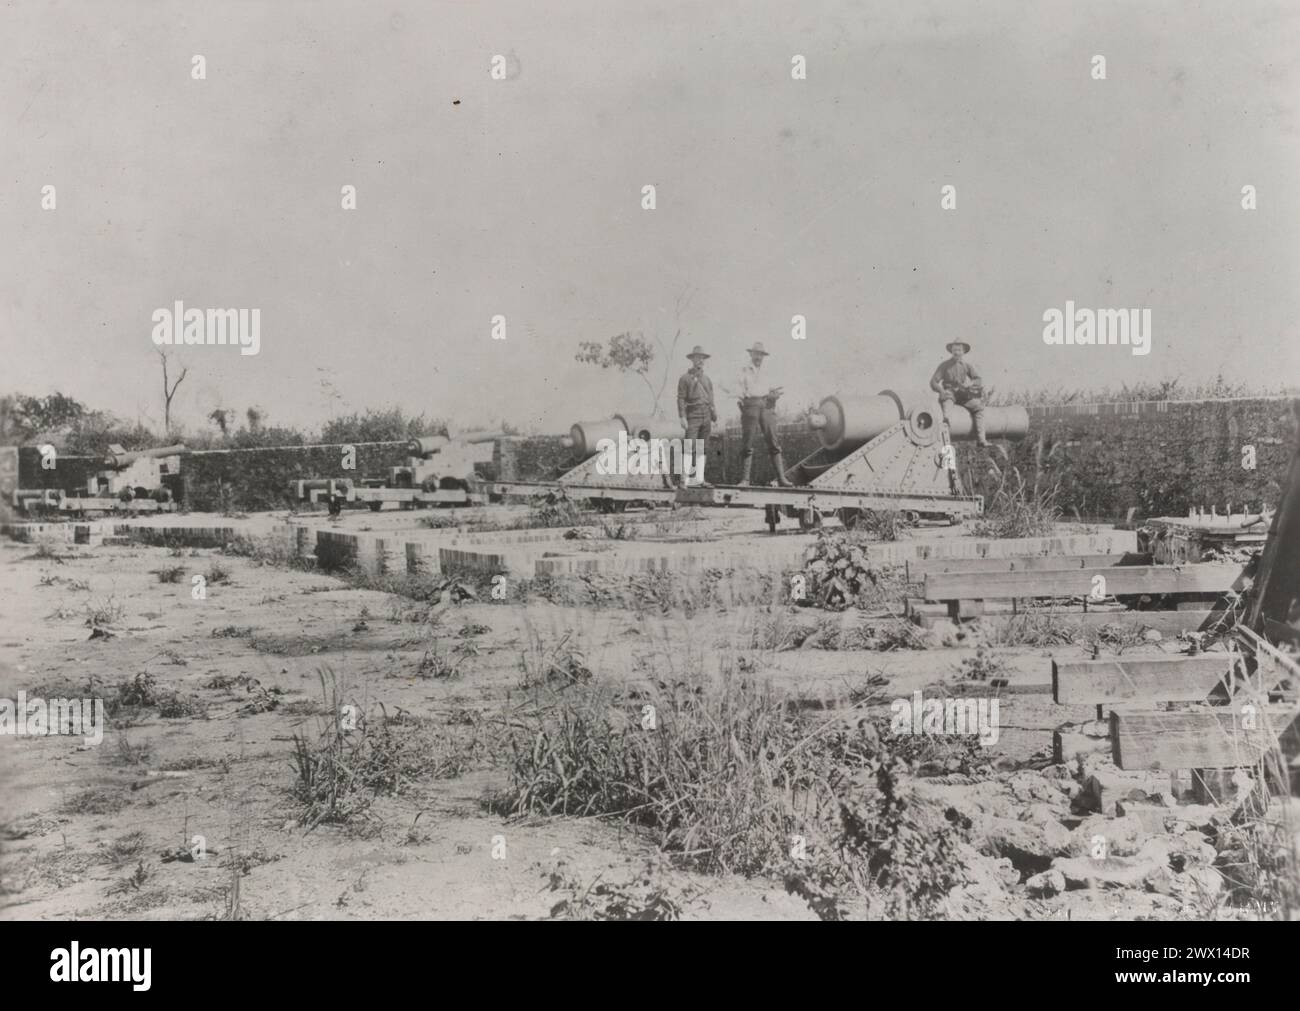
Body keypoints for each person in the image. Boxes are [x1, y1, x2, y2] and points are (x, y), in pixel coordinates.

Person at [724, 342, 792, 486]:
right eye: (756, 354)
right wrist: (742, 399)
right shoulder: (743, 370)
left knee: (773, 441)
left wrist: (774, 395)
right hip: (751, 405)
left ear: (763, 356)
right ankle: (745, 479)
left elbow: (777, 388)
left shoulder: (769, 371)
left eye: (761, 355)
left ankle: (781, 478)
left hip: (767, 405)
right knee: (748, 441)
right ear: (751, 354)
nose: (758, 357)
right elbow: (734, 388)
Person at [929, 341, 988, 446]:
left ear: (963, 352)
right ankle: (943, 443)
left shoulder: (967, 366)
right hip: (949, 393)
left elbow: (978, 379)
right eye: (955, 350)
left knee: (979, 407)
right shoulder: (944, 365)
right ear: (951, 351)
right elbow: (933, 382)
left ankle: (981, 440)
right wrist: (941, 391)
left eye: (959, 350)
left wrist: (971, 384)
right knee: (946, 415)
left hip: (963, 394)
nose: (957, 352)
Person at [675, 345, 716, 487]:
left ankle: (699, 479)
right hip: (692, 414)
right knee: (689, 446)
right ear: (692, 359)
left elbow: (711, 400)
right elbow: (680, 398)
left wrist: (714, 417)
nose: (700, 360)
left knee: (702, 448)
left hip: (706, 415)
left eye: (702, 358)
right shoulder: (685, 378)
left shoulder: (707, 380)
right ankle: (684, 479)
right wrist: (682, 417)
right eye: (697, 358)